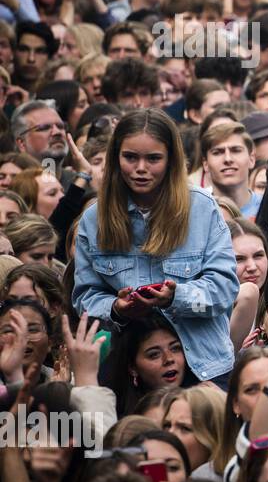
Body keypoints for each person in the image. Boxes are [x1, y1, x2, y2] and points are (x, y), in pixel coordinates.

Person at [73, 108, 239, 387]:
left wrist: (177, 297)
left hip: (204, 366)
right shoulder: (94, 219)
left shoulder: (201, 207)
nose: (140, 168)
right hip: (128, 370)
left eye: (153, 159)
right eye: (130, 157)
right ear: (116, 158)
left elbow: (223, 290)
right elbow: (84, 298)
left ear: (171, 160)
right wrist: (116, 308)